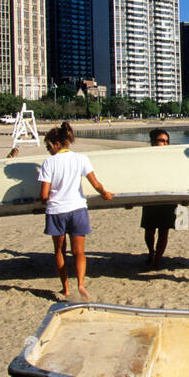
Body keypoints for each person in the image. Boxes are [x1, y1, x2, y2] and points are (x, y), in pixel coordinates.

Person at [39, 122, 113, 301]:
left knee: (59, 251)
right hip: (77, 209)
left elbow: (44, 195)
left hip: (56, 211)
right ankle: (80, 285)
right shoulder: (81, 158)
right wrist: (105, 193)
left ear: (57, 144)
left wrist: (41, 201)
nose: (48, 150)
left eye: (48, 146)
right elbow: (95, 184)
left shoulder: (48, 163)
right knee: (79, 252)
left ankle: (65, 289)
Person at [140, 129, 178, 268]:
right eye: (162, 141)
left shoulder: (172, 158)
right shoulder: (145, 157)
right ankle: (151, 252)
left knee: (164, 231)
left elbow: (178, 176)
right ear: (153, 142)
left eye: (167, 141)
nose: (165, 143)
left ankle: (157, 259)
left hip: (168, 197)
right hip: (150, 197)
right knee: (149, 231)